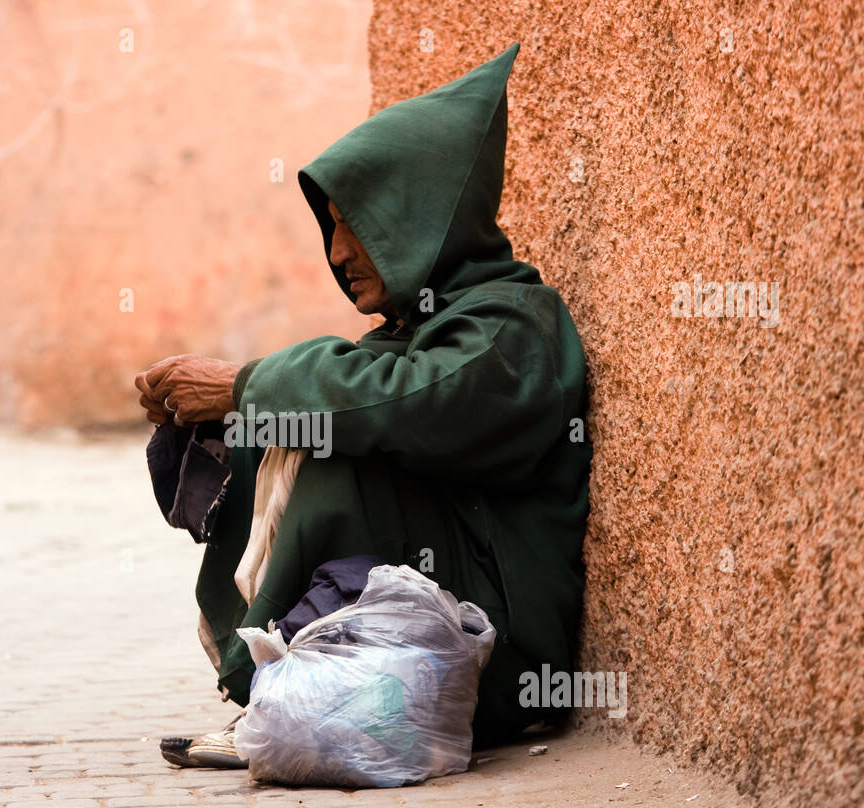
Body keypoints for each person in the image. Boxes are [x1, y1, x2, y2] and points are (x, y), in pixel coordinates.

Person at [135, 43, 591, 769]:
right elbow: (357, 387)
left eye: (360, 226)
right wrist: (222, 414)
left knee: (329, 442)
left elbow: (401, 404)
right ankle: (288, 691)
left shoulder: (511, 327)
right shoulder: (418, 334)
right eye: (333, 227)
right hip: (417, 654)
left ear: (418, 222)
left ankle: (274, 688)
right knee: (292, 421)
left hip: (497, 661)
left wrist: (246, 385)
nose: (339, 251)